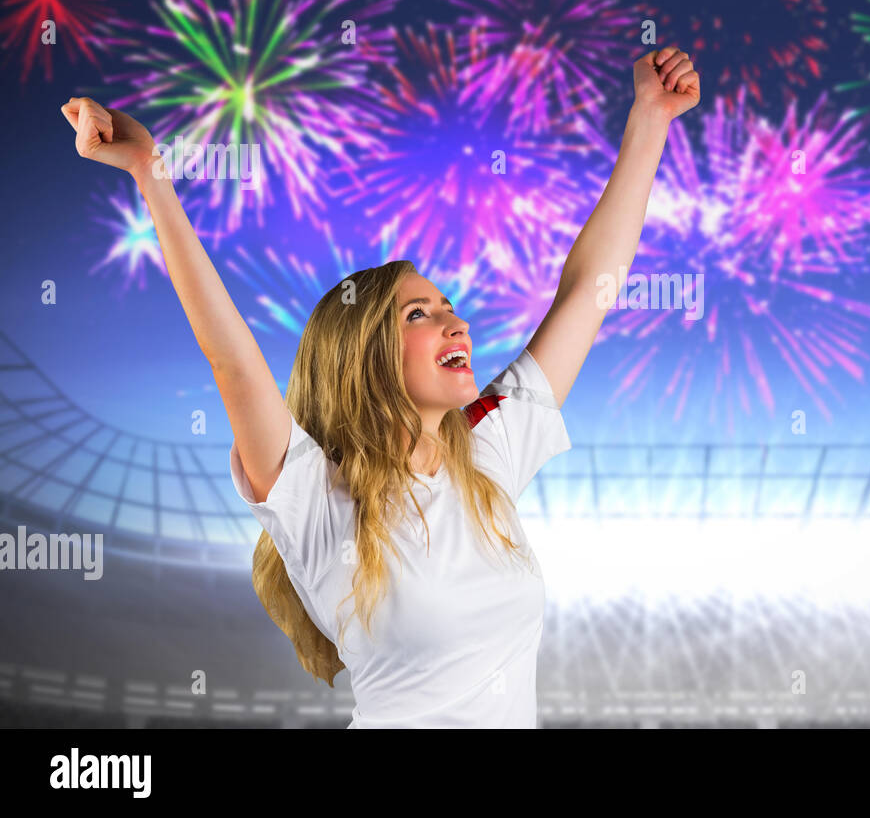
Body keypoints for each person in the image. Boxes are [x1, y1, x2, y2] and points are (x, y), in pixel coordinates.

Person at [61, 46, 701, 727]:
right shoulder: (319, 501)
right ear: (364, 358)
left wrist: (651, 119)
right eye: (418, 315)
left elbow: (587, 292)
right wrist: (150, 173)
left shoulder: (488, 453)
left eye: (448, 306)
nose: (454, 322)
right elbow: (234, 360)